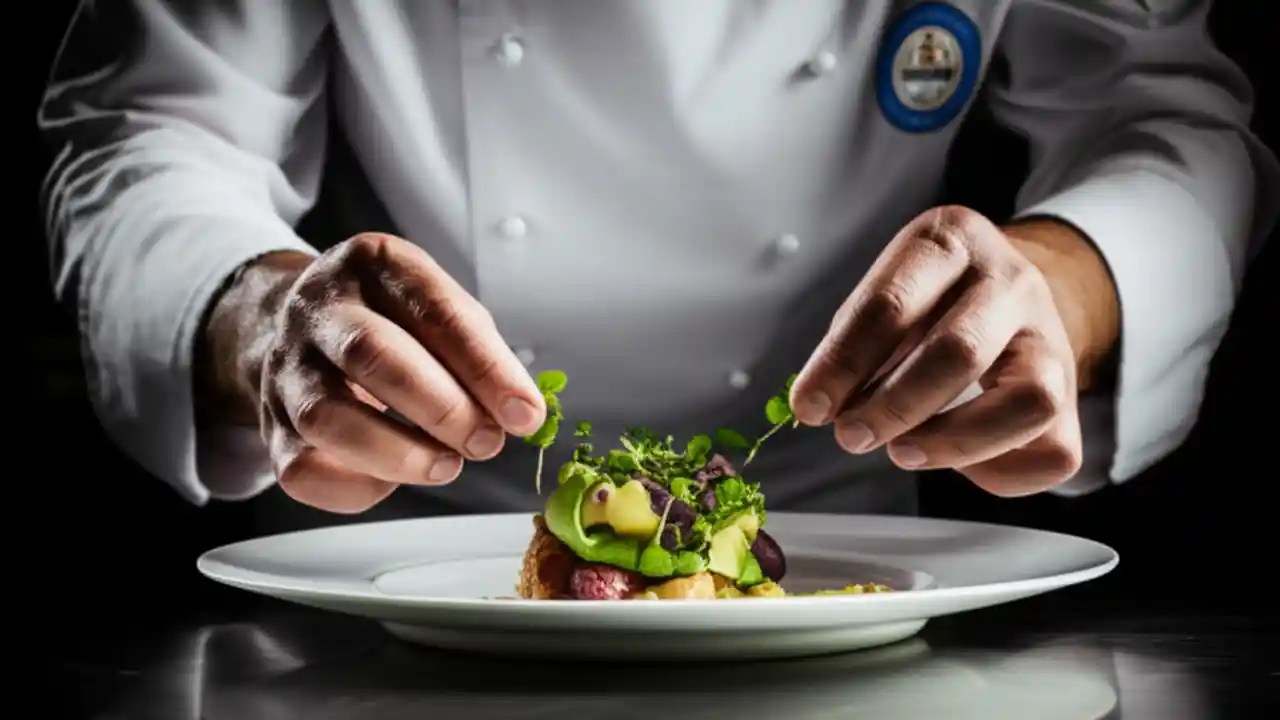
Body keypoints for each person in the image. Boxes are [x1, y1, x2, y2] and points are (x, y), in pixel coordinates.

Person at [37, 1, 1276, 520]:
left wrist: (1053, 290)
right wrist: (268, 323)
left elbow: (1157, 117)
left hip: (860, 563)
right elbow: (153, 127)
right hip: (414, 550)